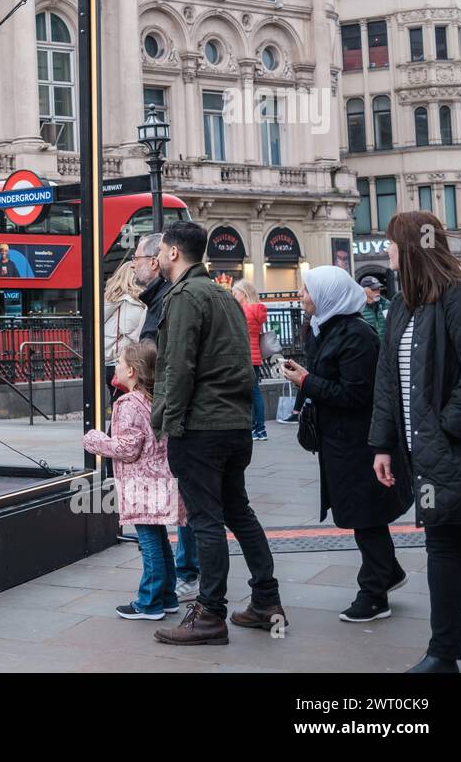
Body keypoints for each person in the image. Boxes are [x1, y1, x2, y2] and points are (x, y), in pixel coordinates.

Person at [149, 221, 284, 645]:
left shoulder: (186, 296)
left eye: (158, 250)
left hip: (201, 427)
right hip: (234, 424)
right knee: (238, 512)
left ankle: (210, 614)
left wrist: (164, 422)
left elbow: (178, 367)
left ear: (172, 253)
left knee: (207, 521)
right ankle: (266, 600)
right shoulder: (223, 295)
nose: (154, 258)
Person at [368, 211, 461, 673]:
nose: (385, 251)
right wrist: (383, 444)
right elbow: (387, 383)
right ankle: (443, 654)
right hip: (422, 452)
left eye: (391, 242)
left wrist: (448, 426)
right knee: (459, 542)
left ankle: (442, 656)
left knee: (444, 545)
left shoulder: (460, 300)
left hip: (455, 449)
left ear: (413, 247)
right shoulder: (402, 307)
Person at [281, 266, 412, 623]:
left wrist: (306, 380)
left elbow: (356, 395)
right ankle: (389, 572)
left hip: (359, 443)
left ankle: (374, 594)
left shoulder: (356, 335)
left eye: (306, 290)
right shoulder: (325, 329)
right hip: (339, 441)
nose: (302, 296)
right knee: (361, 514)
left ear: (327, 295)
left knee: (364, 514)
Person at [84, 340, 185, 619]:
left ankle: (149, 602)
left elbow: (127, 448)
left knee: (149, 543)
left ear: (132, 371)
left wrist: (95, 440)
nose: (115, 365)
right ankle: (167, 596)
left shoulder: (127, 403)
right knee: (160, 539)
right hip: (160, 478)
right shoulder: (156, 398)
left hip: (141, 483)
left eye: (119, 361)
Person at [134, 231, 198, 599]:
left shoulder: (171, 302)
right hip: (166, 409)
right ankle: (178, 572)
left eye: (139, 259)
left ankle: (185, 571)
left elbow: (167, 361)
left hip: (170, 413)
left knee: (184, 494)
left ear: (157, 260)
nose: (135, 266)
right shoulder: (159, 300)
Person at [231, 280, 269, 442]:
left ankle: (255, 428)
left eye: (235, 293)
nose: (233, 296)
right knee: (256, 393)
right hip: (255, 357)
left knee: (247, 394)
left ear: (244, 294)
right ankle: (261, 430)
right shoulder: (257, 310)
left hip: (244, 356)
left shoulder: (243, 311)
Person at [103, 261, 146, 395]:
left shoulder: (109, 300)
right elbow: (131, 330)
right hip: (127, 364)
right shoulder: (131, 302)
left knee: (116, 400)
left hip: (110, 362)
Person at [360, 276, 387, 341]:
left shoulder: (386, 304)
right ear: (364, 290)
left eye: (378, 288)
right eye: (373, 289)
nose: (377, 291)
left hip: (385, 348)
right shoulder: (357, 307)